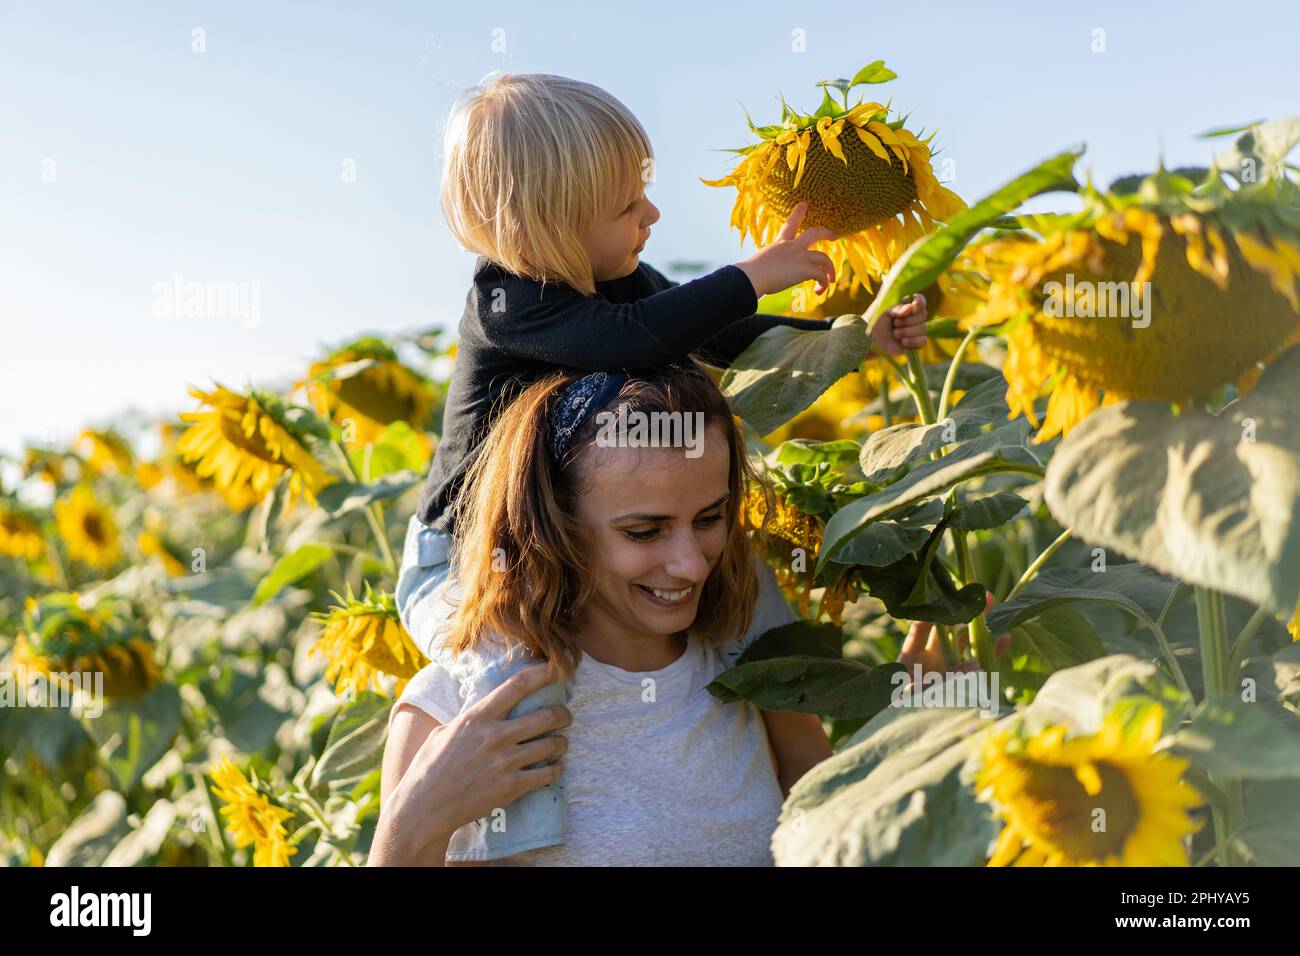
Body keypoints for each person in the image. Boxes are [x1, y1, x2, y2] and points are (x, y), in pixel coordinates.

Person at [396, 71, 929, 666]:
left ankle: (791, 698)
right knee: (506, 672)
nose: (652, 213)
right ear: (546, 226)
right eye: (627, 206)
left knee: (757, 611)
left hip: (572, 537)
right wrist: (749, 277)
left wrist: (848, 338)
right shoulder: (509, 303)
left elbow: (718, 334)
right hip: (467, 554)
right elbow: (633, 340)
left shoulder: (620, 278)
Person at [373, 362, 841, 865]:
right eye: (644, 532)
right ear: (555, 527)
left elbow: (834, 834)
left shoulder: (749, 666)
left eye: (710, 518)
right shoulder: (456, 710)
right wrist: (412, 823)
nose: (690, 565)